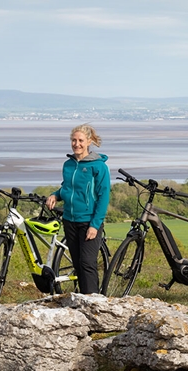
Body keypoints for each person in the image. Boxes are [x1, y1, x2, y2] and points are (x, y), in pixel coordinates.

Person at [45, 124, 111, 295]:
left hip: (88, 222)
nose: (76, 144)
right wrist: (55, 195)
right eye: (74, 140)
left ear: (89, 141)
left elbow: (103, 197)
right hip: (70, 221)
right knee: (78, 265)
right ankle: (82, 301)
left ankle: (93, 303)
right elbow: (67, 188)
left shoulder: (99, 166)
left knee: (87, 264)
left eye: (80, 140)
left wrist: (95, 225)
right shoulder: (68, 165)